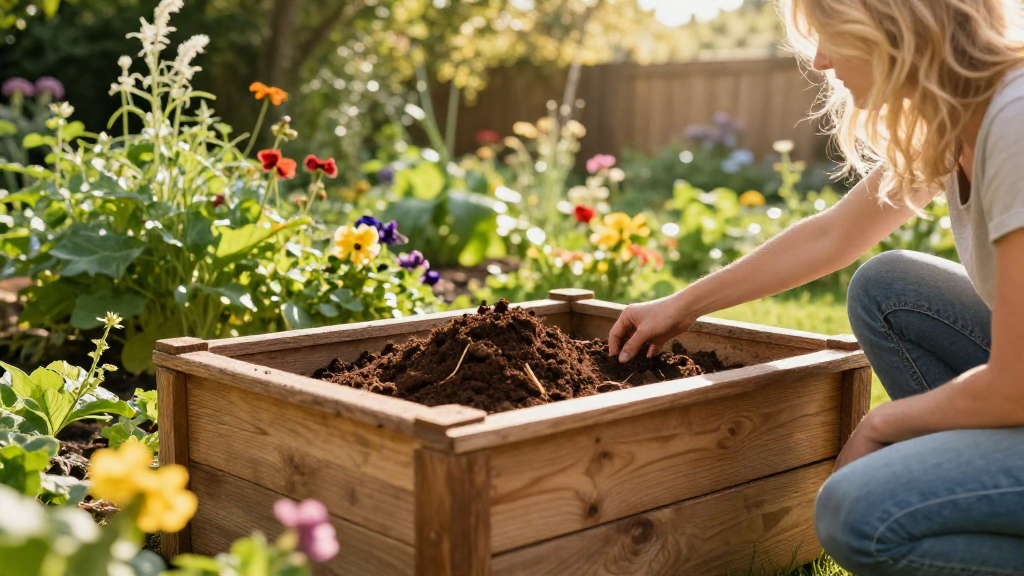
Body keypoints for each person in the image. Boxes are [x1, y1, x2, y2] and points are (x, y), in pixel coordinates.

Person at [607, 1, 1024, 574]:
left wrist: (881, 425)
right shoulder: (957, 121)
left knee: (857, 511)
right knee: (888, 286)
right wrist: (683, 306)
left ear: (894, 23)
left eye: (829, 34)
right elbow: (834, 235)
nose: (821, 60)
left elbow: (1016, 385)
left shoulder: (1014, 124)